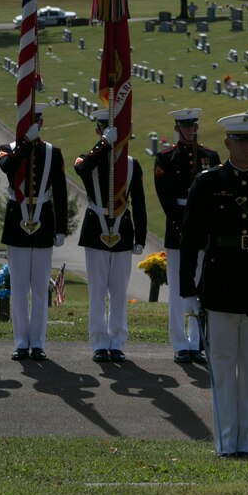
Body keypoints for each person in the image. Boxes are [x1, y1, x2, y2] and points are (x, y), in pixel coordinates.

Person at [179, 113, 248, 458]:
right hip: (220, 283)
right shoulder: (207, 183)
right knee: (223, 369)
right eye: (239, 141)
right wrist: (187, 290)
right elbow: (190, 239)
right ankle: (227, 443)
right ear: (227, 143)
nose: (245, 147)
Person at [74, 109, 147, 363]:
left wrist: (141, 238)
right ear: (98, 130)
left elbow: (139, 202)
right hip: (96, 229)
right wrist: (105, 143)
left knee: (118, 292)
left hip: (123, 230)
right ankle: (99, 342)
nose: (109, 133)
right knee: (97, 292)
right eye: (104, 129)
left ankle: (117, 341)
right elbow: (83, 169)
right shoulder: (88, 158)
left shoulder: (131, 164)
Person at [0, 104, 68, 361]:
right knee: (18, 287)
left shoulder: (53, 153)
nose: (33, 125)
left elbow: (60, 192)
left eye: (36, 121)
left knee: (39, 287)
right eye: (28, 121)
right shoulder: (7, 149)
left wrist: (61, 228)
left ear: (42, 123)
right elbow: (8, 167)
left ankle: (37, 342)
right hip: (16, 220)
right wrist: (25, 142)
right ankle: (20, 342)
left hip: (43, 221)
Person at [153, 108, 220, 364]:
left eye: (193, 126)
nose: (190, 130)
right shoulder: (166, 157)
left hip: (203, 228)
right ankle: (180, 343)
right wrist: (183, 229)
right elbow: (166, 199)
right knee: (177, 290)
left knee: (201, 288)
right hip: (178, 229)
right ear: (177, 128)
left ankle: (196, 342)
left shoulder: (210, 156)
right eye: (185, 126)